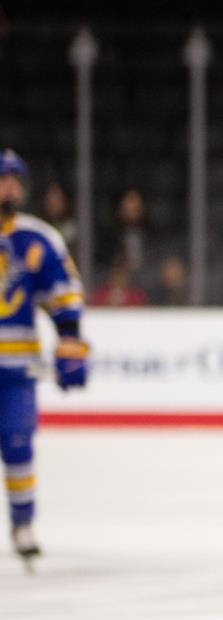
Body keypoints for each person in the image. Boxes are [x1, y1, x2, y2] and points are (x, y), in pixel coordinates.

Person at [0, 150, 89, 567]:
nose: (9, 187)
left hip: (17, 368)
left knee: (18, 442)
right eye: (3, 179)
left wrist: (69, 336)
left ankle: (23, 524)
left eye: (15, 179)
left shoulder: (38, 238)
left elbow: (62, 291)